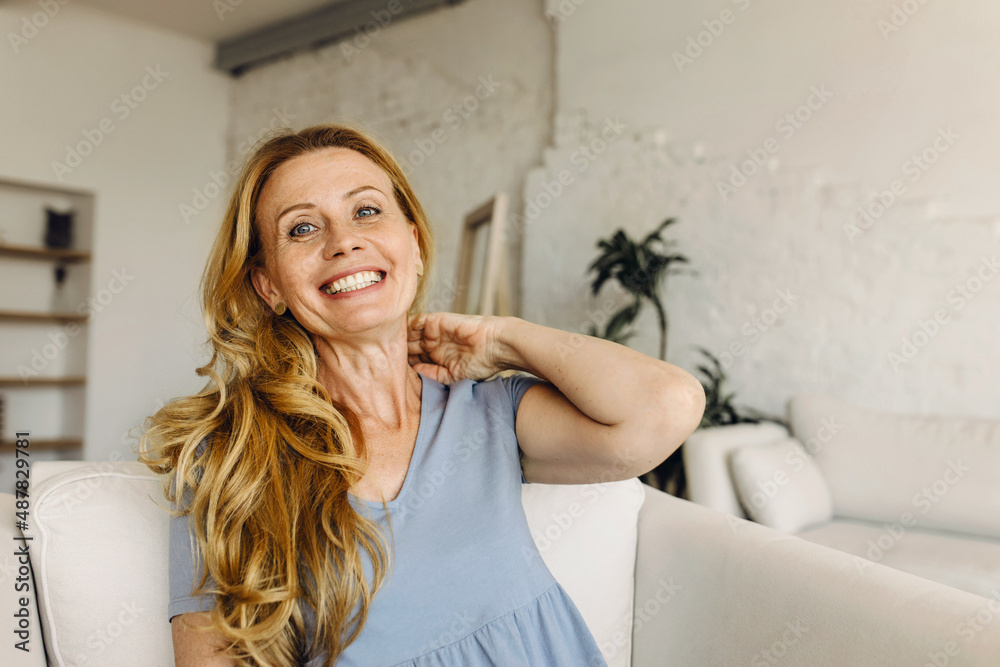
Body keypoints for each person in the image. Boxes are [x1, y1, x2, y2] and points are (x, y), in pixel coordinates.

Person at [139, 123, 706, 666]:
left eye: (366, 211)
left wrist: (504, 340)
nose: (344, 241)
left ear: (411, 244)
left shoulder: (488, 412)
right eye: (303, 228)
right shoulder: (233, 458)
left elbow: (668, 406)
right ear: (269, 286)